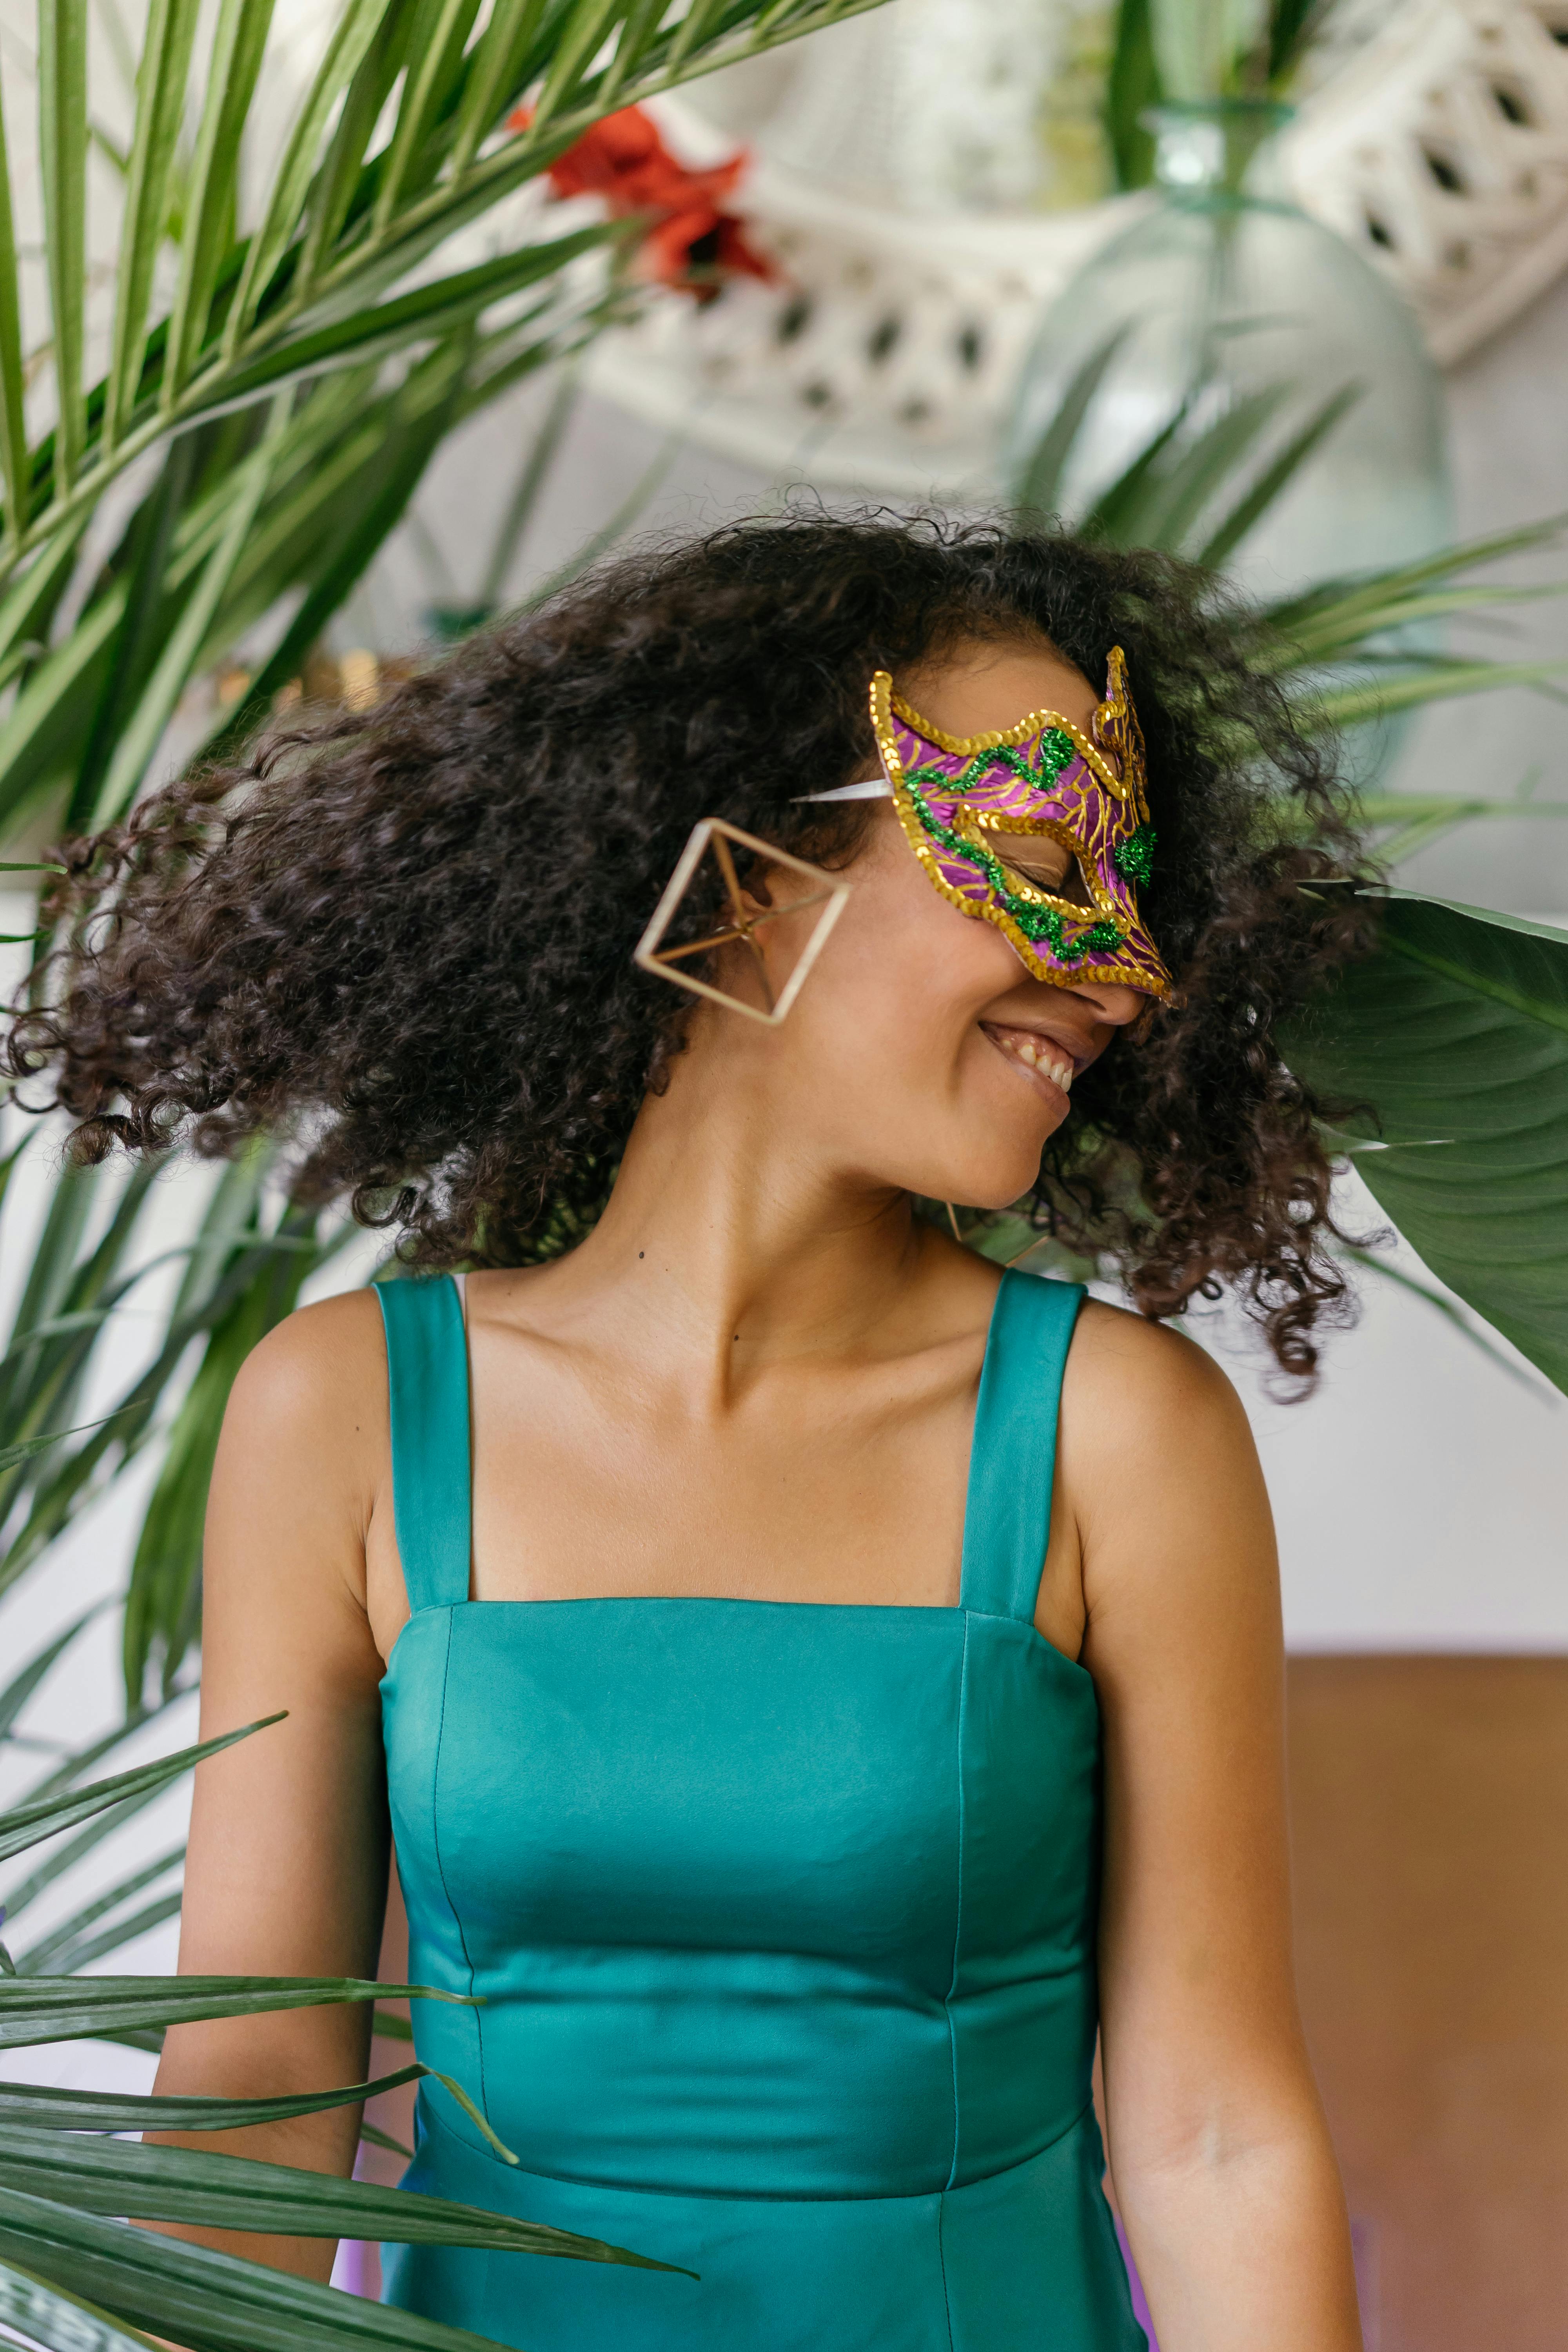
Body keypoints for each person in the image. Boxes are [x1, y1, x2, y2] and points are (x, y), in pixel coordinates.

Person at [6, 516, 1369, 2351]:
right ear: (745, 879)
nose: (1123, 976)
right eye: (1046, 868)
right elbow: (257, 2098)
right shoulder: (344, 1414)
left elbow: (1211, 2138)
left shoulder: (1117, 1438)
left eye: (1135, 898)